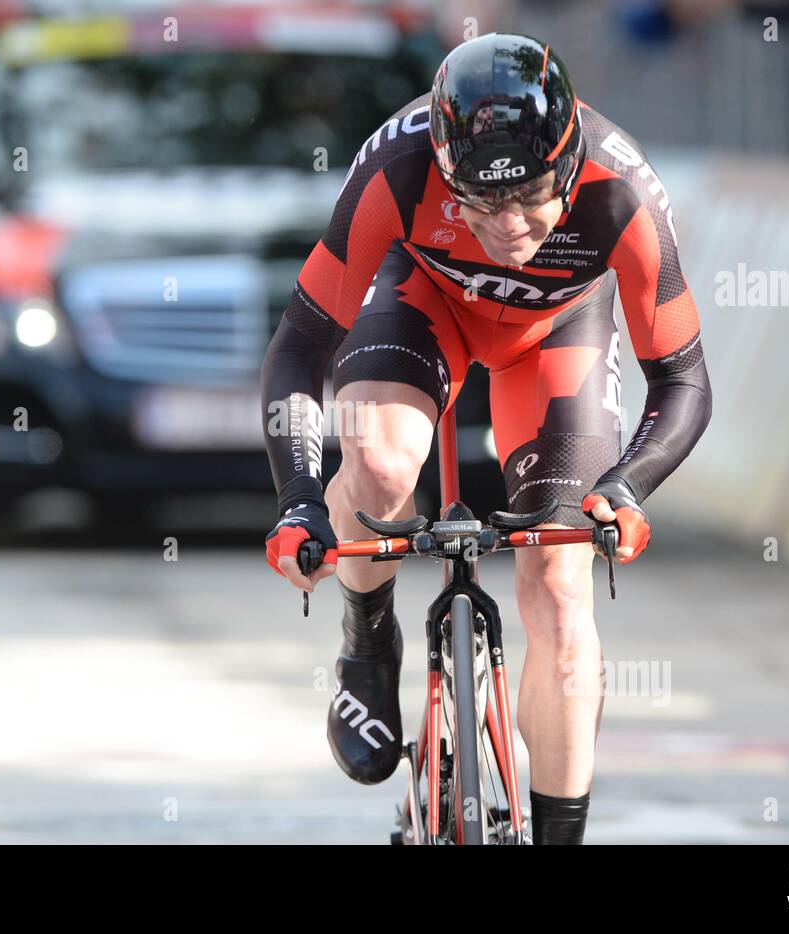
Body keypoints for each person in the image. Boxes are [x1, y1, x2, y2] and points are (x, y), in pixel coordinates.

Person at [260, 33, 712, 844]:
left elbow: (682, 382)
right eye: (480, 202)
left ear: (570, 166)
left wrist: (625, 489)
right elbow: (299, 347)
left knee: (562, 585)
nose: (509, 226)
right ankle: (368, 639)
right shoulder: (394, 169)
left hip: (559, 332)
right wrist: (299, 501)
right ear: (443, 173)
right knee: (377, 460)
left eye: (533, 197)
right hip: (426, 301)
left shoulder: (623, 192)